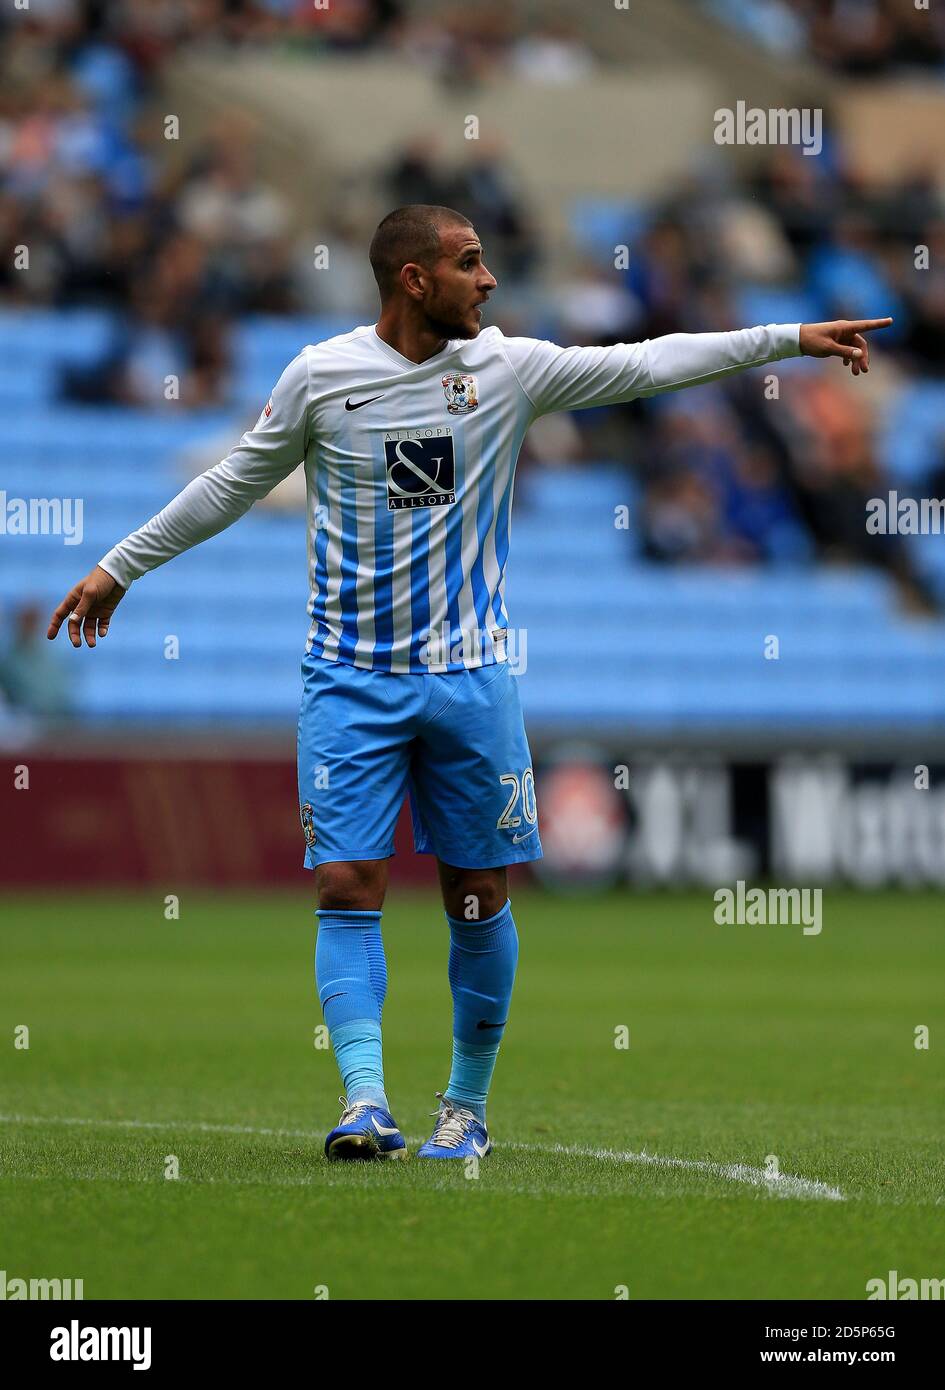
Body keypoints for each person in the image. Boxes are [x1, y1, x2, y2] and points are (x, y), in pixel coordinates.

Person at [47, 204, 892, 1161]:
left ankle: (466, 1107)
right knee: (345, 881)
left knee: (477, 894)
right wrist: (121, 565)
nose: (488, 281)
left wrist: (787, 338)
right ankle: (364, 1100)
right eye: (467, 263)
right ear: (413, 279)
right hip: (348, 679)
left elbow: (649, 361)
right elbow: (232, 481)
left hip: (471, 682)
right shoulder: (322, 378)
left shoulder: (507, 369)